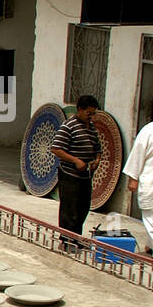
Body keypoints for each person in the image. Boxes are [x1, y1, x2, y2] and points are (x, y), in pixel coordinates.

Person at [49, 94, 102, 250]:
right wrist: (75, 160)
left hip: (86, 175)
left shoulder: (91, 127)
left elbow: (97, 147)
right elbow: (56, 148)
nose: (91, 116)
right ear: (80, 110)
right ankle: (66, 241)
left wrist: (96, 160)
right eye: (88, 113)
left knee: (82, 207)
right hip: (70, 175)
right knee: (69, 209)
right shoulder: (69, 126)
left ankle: (76, 238)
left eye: (93, 113)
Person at [124, 96, 153, 257]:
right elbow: (137, 156)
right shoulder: (148, 131)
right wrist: (133, 179)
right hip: (152, 181)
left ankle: (150, 245)